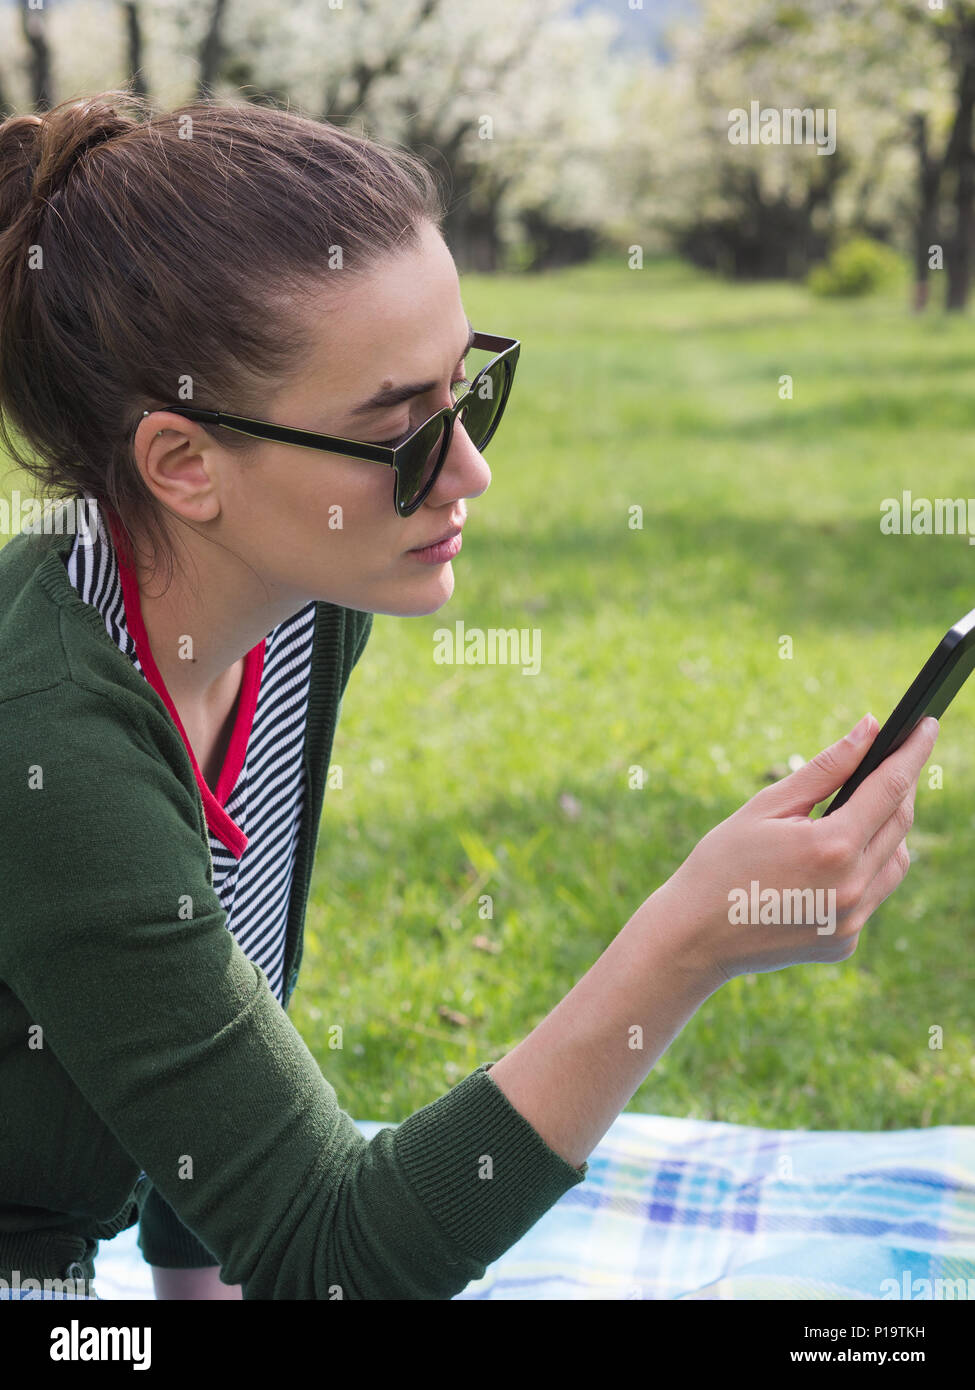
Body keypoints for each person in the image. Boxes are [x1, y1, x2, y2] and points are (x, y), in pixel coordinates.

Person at [0, 88, 939, 1301]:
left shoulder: (292, 605)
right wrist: (682, 949)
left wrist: (199, 1284)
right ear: (185, 465)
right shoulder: (51, 746)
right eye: (401, 432)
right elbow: (335, 1262)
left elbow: (215, 1008)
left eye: (469, 390)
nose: (472, 471)